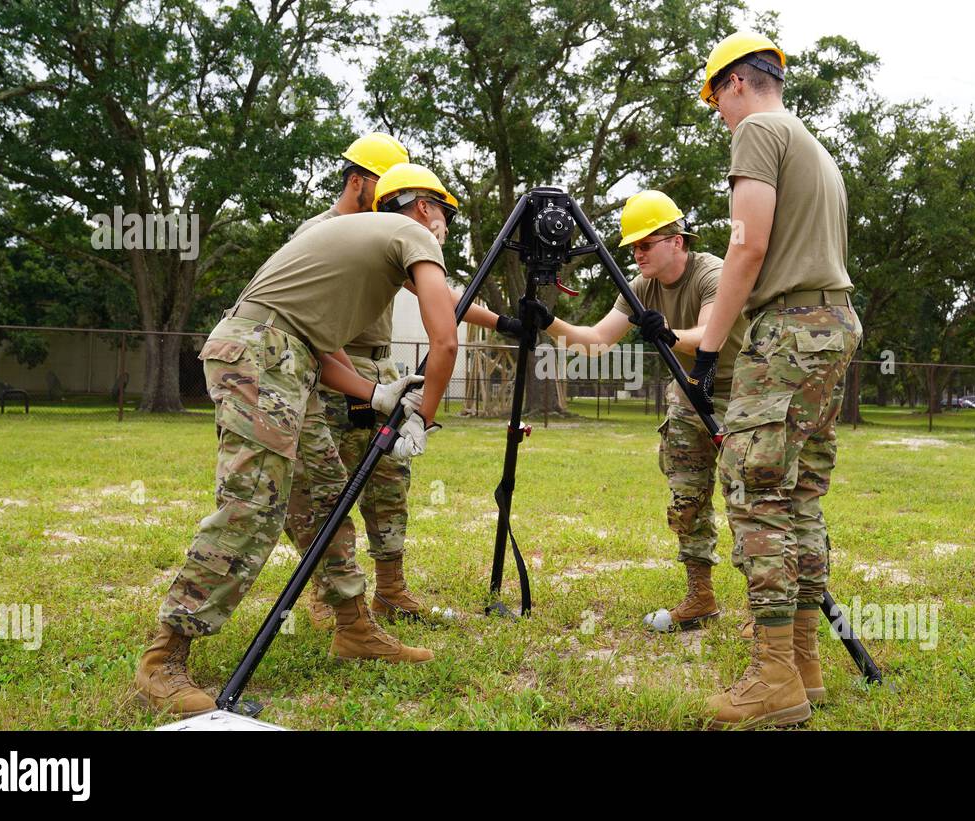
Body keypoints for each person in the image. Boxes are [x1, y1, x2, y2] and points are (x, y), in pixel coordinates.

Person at [133, 164, 464, 717]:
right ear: (426, 208)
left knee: (327, 497)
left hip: (286, 355)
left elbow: (317, 351)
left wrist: (381, 398)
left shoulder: (352, 252)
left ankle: (354, 626)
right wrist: (422, 418)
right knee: (255, 503)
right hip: (262, 353)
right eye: (447, 217)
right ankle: (163, 657)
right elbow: (446, 338)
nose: (445, 231)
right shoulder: (410, 232)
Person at [686, 31, 861, 729]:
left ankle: (772, 679)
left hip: (786, 332)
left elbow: (747, 244)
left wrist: (710, 343)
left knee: (756, 492)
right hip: (835, 323)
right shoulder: (818, 148)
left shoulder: (758, 128)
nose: (722, 118)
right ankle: (803, 662)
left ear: (734, 84)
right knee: (799, 495)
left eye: (717, 103)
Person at [282, 136, 520, 629]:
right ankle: (329, 597)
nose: (392, 198)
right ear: (358, 182)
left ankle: (391, 590)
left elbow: (436, 290)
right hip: (336, 370)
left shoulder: (390, 236)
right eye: (384, 189)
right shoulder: (321, 232)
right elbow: (315, 324)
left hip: (381, 368)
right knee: (331, 487)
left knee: (390, 484)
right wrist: (356, 384)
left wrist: (502, 322)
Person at [542, 190, 747, 632]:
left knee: (747, 500)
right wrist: (548, 323)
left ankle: (763, 610)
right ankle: (701, 598)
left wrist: (670, 333)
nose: (636, 254)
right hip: (688, 394)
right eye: (632, 247)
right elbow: (597, 343)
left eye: (645, 244)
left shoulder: (712, 272)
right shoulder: (639, 287)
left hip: (742, 394)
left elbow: (712, 330)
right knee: (687, 499)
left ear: (677, 241)